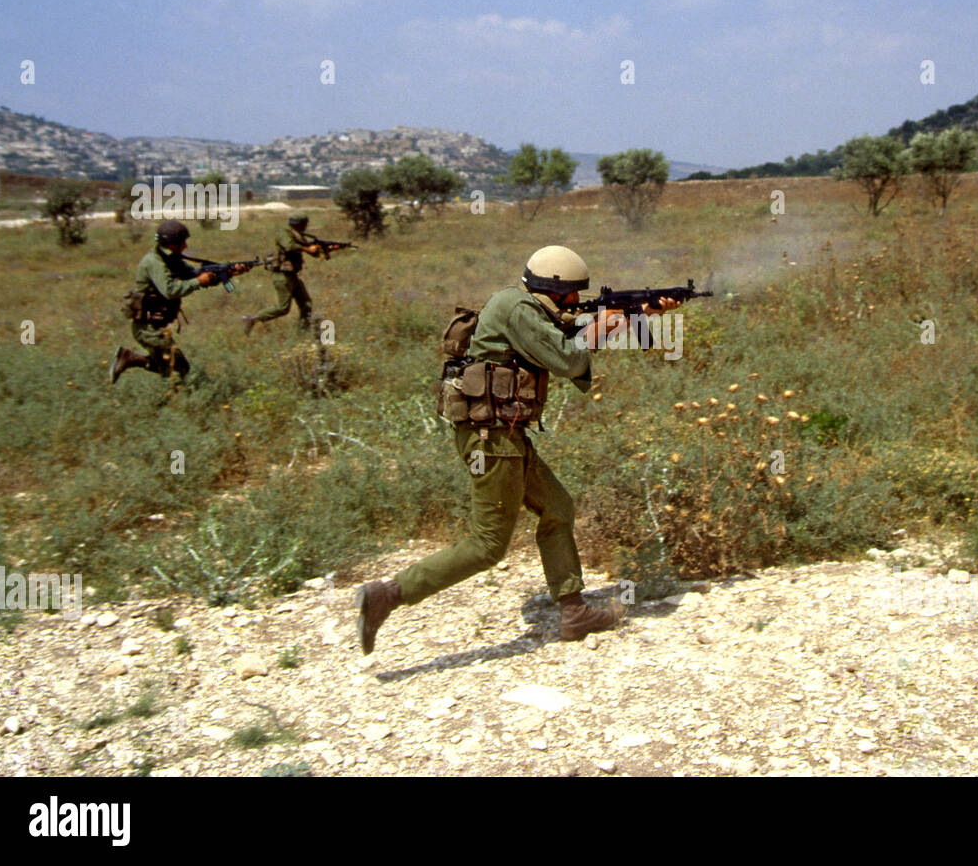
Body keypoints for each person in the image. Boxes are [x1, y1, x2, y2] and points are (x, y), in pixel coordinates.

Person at [354, 245, 680, 654]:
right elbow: (567, 358)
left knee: (558, 507)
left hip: (504, 435)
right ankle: (387, 595)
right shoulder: (518, 310)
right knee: (488, 545)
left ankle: (573, 611)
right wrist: (606, 325)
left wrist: (639, 317)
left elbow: (565, 336)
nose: (578, 302)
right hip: (492, 440)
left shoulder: (526, 306)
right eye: (573, 295)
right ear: (553, 289)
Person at [109, 219, 250, 386]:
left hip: (153, 326)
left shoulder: (170, 259)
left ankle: (129, 358)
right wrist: (199, 281)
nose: (185, 246)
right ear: (170, 243)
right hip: (147, 328)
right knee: (178, 368)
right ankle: (180, 400)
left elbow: (194, 273)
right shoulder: (154, 262)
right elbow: (170, 291)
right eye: (182, 242)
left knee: (171, 366)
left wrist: (227, 272)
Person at [242, 212, 324, 334]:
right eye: (305, 223)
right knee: (283, 308)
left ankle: (302, 333)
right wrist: (307, 249)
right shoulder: (284, 233)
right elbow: (289, 246)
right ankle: (252, 319)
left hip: (293, 276)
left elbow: (311, 252)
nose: (306, 226)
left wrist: (322, 250)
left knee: (306, 305)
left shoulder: (298, 236)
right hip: (283, 276)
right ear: (299, 224)